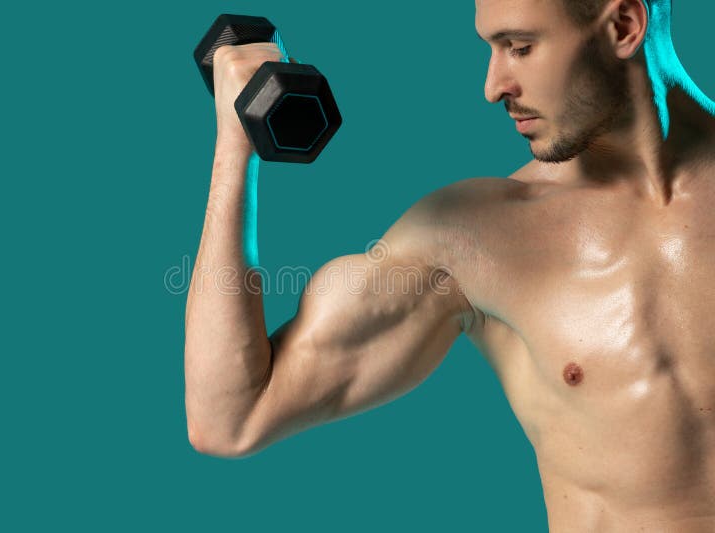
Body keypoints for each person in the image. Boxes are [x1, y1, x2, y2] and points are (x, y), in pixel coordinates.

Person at [184, 0, 715, 529]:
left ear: (624, 25)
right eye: (491, 48)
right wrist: (235, 150)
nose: (493, 86)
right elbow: (230, 418)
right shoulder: (477, 239)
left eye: (520, 47)